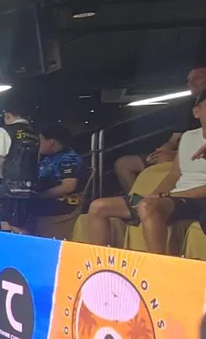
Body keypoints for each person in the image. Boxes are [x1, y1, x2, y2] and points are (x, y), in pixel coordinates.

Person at [86, 89, 206, 254]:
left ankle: (156, 264)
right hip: (174, 197)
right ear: (196, 111)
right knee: (98, 206)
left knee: (148, 206)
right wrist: (154, 195)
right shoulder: (188, 137)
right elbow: (174, 174)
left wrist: (164, 196)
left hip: (196, 200)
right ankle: (102, 262)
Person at [114, 68, 206, 192]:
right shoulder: (185, 107)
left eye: (197, 78)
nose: (190, 83)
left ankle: (149, 200)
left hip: (188, 158)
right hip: (179, 153)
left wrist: (174, 155)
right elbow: (174, 139)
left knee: (164, 161)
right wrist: (163, 149)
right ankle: (137, 199)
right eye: (189, 80)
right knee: (123, 164)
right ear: (196, 112)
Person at [0, 98, 40, 234]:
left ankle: (25, 246)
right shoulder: (35, 134)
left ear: (7, 115)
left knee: (13, 224)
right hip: (31, 185)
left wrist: (2, 175)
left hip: (11, 185)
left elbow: (1, 157)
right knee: (10, 220)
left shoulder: (6, 130)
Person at [32, 124, 84, 225]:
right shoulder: (49, 157)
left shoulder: (68, 159)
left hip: (64, 202)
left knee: (18, 208)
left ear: (51, 142)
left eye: (41, 140)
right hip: (48, 200)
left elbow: (68, 187)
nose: (37, 143)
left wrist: (39, 196)